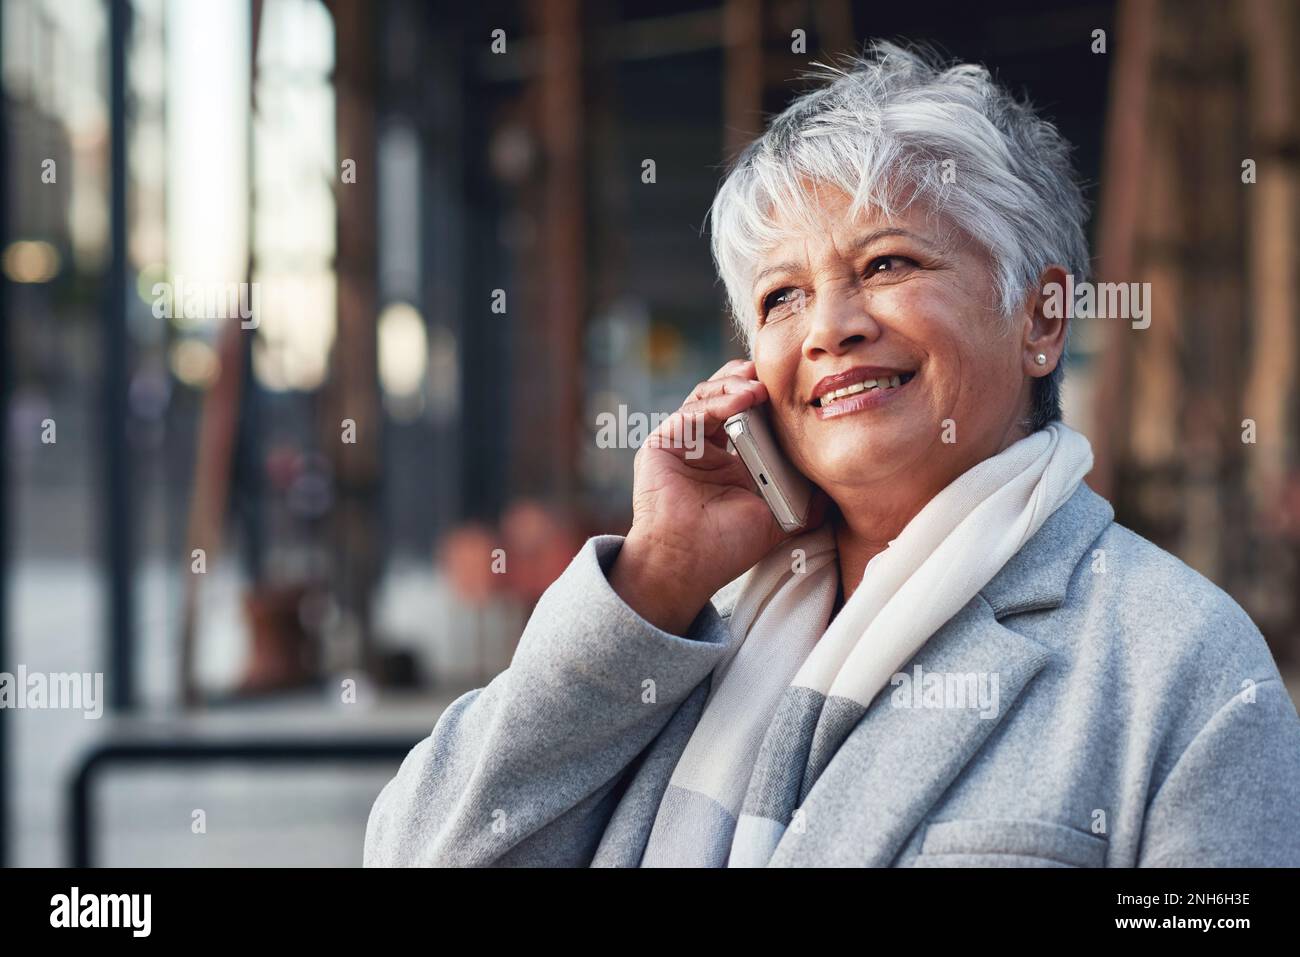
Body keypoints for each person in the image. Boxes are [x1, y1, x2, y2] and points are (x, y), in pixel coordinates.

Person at [364, 42, 1300, 867]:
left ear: (1042, 317)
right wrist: (657, 574)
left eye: (888, 264)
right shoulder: (680, 634)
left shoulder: (1182, 666)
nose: (830, 329)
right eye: (780, 298)